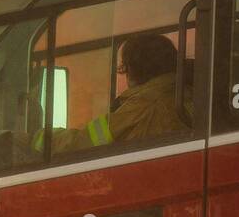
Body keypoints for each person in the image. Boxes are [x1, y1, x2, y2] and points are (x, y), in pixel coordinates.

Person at [50, 31, 187, 154]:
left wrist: (39, 140)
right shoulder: (184, 93)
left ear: (132, 69)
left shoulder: (146, 103)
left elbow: (83, 142)